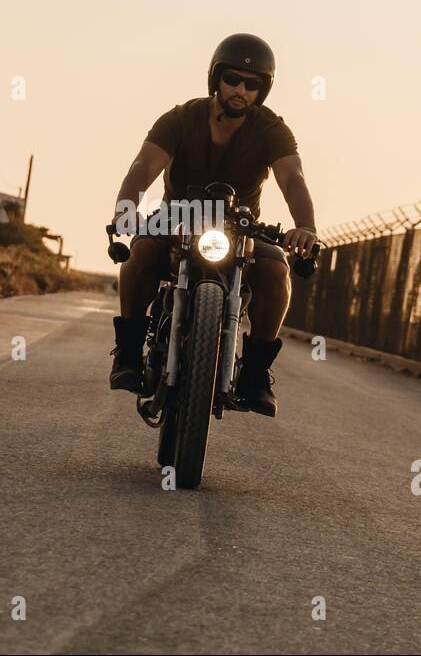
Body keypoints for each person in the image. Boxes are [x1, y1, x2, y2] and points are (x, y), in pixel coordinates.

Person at [108, 33, 318, 416]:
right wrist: (127, 206)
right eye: (232, 80)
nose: (240, 90)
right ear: (216, 79)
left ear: (262, 91)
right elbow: (143, 167)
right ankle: (127, 353)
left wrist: (305, 226)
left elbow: (293, 179)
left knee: (275, 269)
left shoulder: (272, 130)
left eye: (252, 85)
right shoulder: (180, 118)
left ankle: (255, 374)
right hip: (177, 217)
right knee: (142, 252)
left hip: (241, 226)